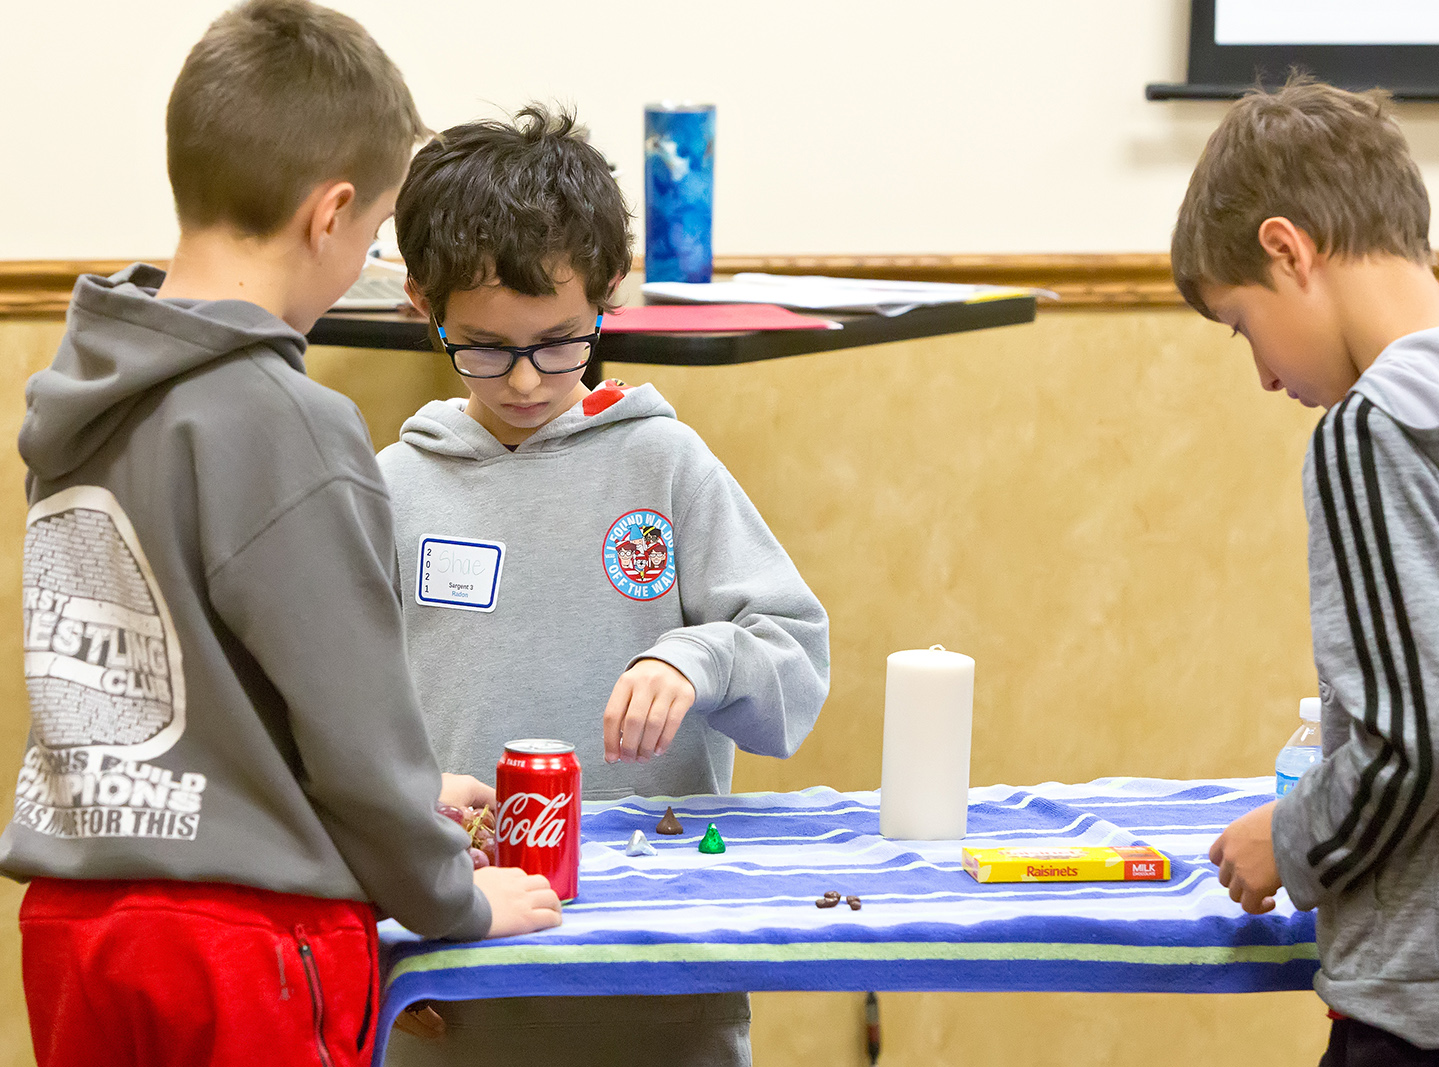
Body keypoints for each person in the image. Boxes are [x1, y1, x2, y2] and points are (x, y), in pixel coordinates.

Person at [4, 4, 562, 1065]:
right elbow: (354, 736)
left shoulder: (75, 395)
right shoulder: (284, 418)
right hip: (244, 946)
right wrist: (456, 895)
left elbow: (174, 697)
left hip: (77, 927)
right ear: (330, 212)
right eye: (373, 233)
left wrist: (396, 790)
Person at [376, 104, 830, 1067]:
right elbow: (334, 739)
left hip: (657, 987)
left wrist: (697, 656)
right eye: (486, 347)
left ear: (608, 297)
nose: (530, 380)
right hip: (456, 979)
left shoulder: (664, 465)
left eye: (560, 341)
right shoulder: (389, 488)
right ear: (422, 305)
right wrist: (383, 931)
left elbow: (794, 662)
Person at [1186, 77, 1439, 1066]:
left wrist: (1289, 841)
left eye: (1243, 325)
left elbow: (1423, 739)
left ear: (1288, 250)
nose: (1264, 376)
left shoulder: (1370, 432)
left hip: (1433, 988)